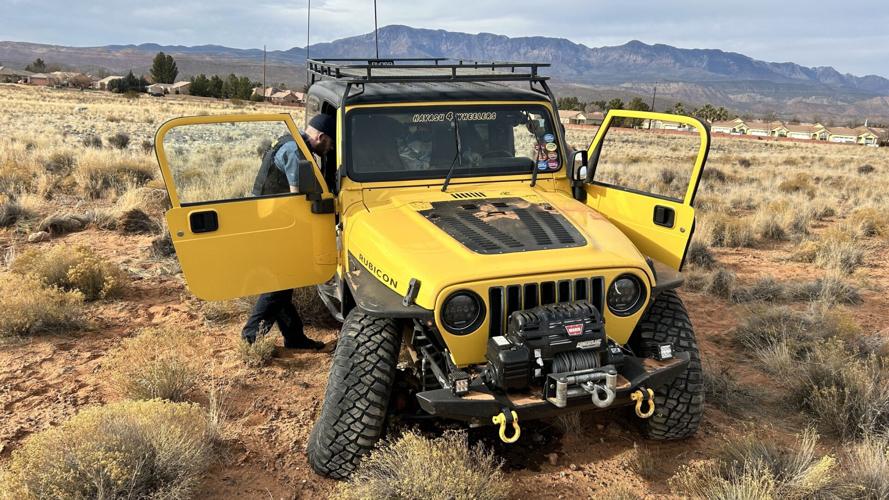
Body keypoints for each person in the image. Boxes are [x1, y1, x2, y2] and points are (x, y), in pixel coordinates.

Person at [241, 113, 336, 349]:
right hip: (274, 225)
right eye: (331, 143)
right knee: (280, 284)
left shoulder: (288, 141)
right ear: (321, 137)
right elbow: (296, 200)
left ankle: (294, 337)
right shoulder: (295, 151)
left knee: (285, 280)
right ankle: (251, 339)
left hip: (268, 220)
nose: (331, 148)